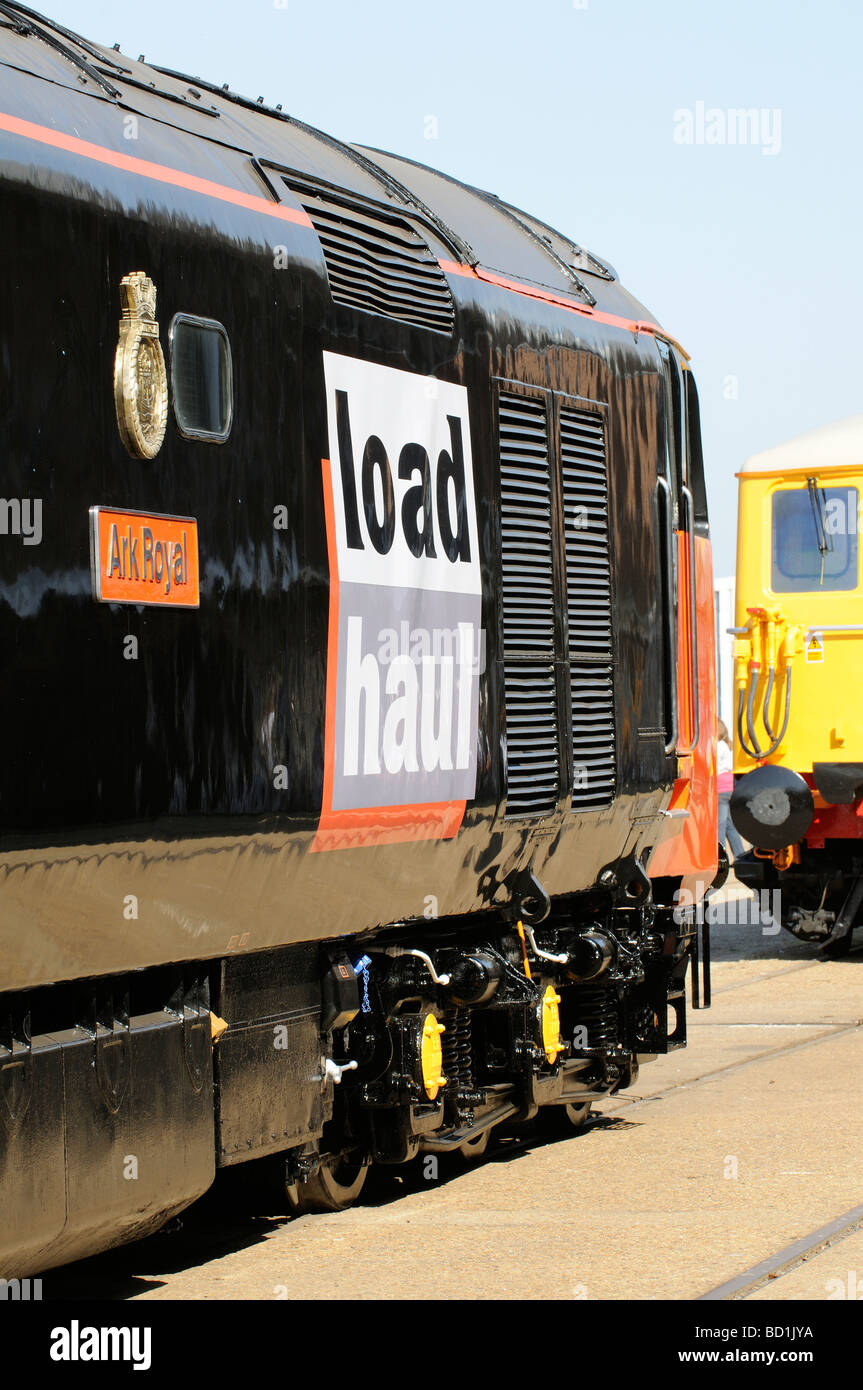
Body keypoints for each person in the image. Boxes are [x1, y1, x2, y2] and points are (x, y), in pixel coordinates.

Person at [717, 718, 745, 861]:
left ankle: (720, 856)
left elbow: (714, 768)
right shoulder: (728, 745)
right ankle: (739, 855)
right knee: (729, 824)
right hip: (730, 786)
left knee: (720, 824)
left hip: (720, 788)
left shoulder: (717, 746)